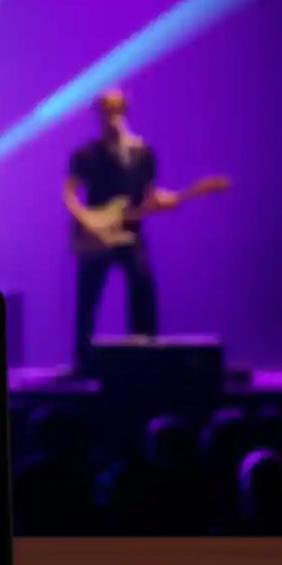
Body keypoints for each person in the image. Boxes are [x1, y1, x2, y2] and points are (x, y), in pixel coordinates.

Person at [63, 89, 178, 371]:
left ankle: (145, 355)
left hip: (130, 232)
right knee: (88, 296)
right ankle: (84, 361)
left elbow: (149, 194)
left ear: (125, 112)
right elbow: (69, 192)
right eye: (105, 111)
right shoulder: (86, 154)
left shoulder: (143, 153)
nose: (110, 117)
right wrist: (86, 219)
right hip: (97, 236)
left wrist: (162, 201)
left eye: (115, 110)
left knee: (142, 284)